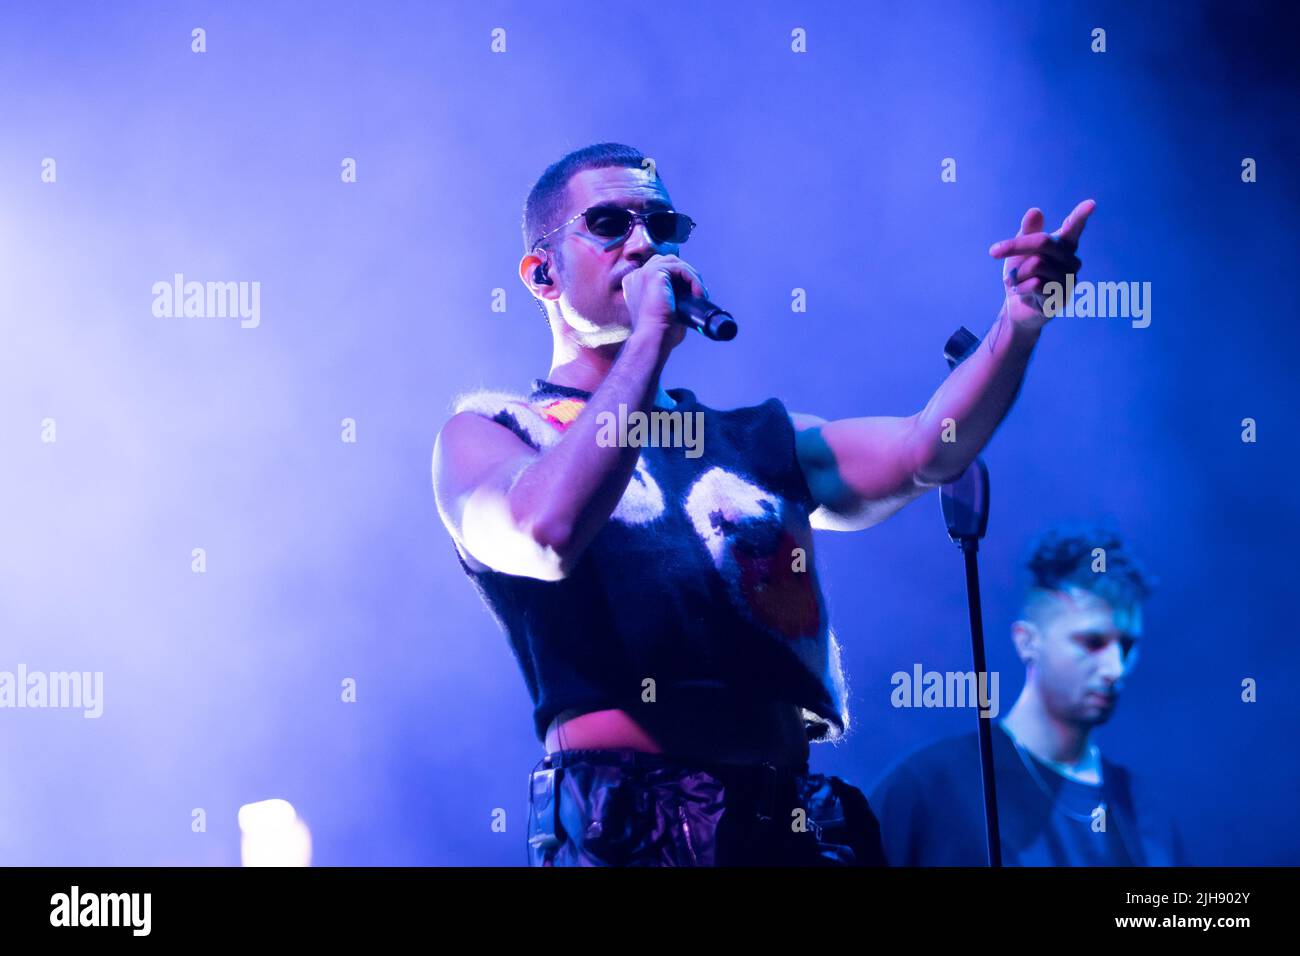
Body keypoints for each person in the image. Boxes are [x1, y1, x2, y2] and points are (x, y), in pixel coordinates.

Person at [431, 142, 1095, 865]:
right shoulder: (494, 435)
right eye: (609, 223)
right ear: (542, 273)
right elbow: (545, 531)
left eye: (661, 224)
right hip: (626, 823)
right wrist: (648, 341)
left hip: (788, 817)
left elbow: (924, 451)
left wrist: (1021, 322)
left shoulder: (755, 438)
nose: (644, 243)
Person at [869, 522, 1186, 866]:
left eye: (1126, 646)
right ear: (1027, 642)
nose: (1115, 668)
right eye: (1092, 643)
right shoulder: (930, 787)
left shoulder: (1145, 811)